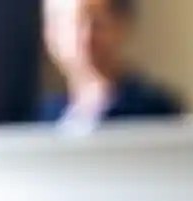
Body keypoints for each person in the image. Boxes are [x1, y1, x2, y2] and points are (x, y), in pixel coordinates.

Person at [40, 0, 185, 128]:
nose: (84, 36)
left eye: (96, 22)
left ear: (121, 25)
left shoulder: (155, 111)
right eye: (69, 22)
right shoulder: (43, 118)